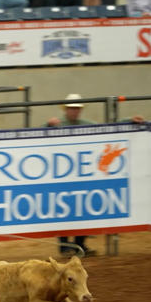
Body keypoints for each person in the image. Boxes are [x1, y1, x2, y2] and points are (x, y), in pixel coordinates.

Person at [44, 94, 97, 257]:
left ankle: (79, 245)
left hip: (79, 174)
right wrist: (47, 125)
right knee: (63, 209)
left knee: (81, 208)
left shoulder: (87, 125)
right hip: (62, 174)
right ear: (66, 110)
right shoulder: (56, 124)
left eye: (77, 108)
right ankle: (65, 246)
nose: (74, 111)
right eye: (71, 108)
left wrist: (128, 121)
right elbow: (32, 133)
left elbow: (109, 126)